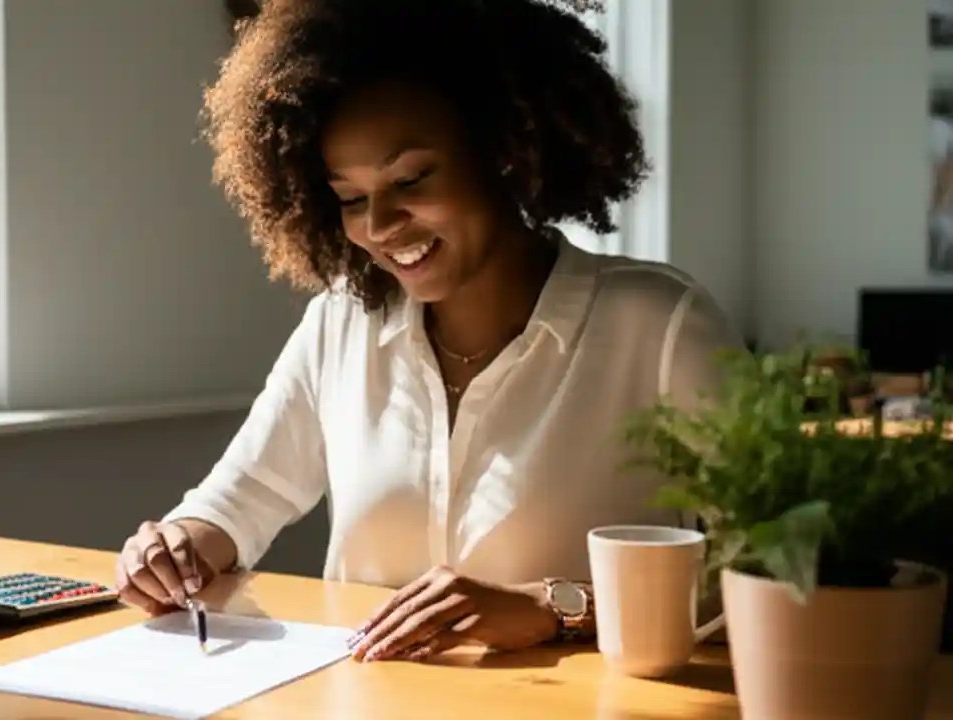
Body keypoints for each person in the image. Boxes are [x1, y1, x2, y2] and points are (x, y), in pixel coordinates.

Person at [115, 0, 741, 663]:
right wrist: (177, 544)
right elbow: (243, 497)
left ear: (504, 150)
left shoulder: (660, 325)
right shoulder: (339, 325)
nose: (381, 225)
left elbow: (778, 571)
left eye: (410, 179)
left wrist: (553, 607)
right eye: (351, 199)